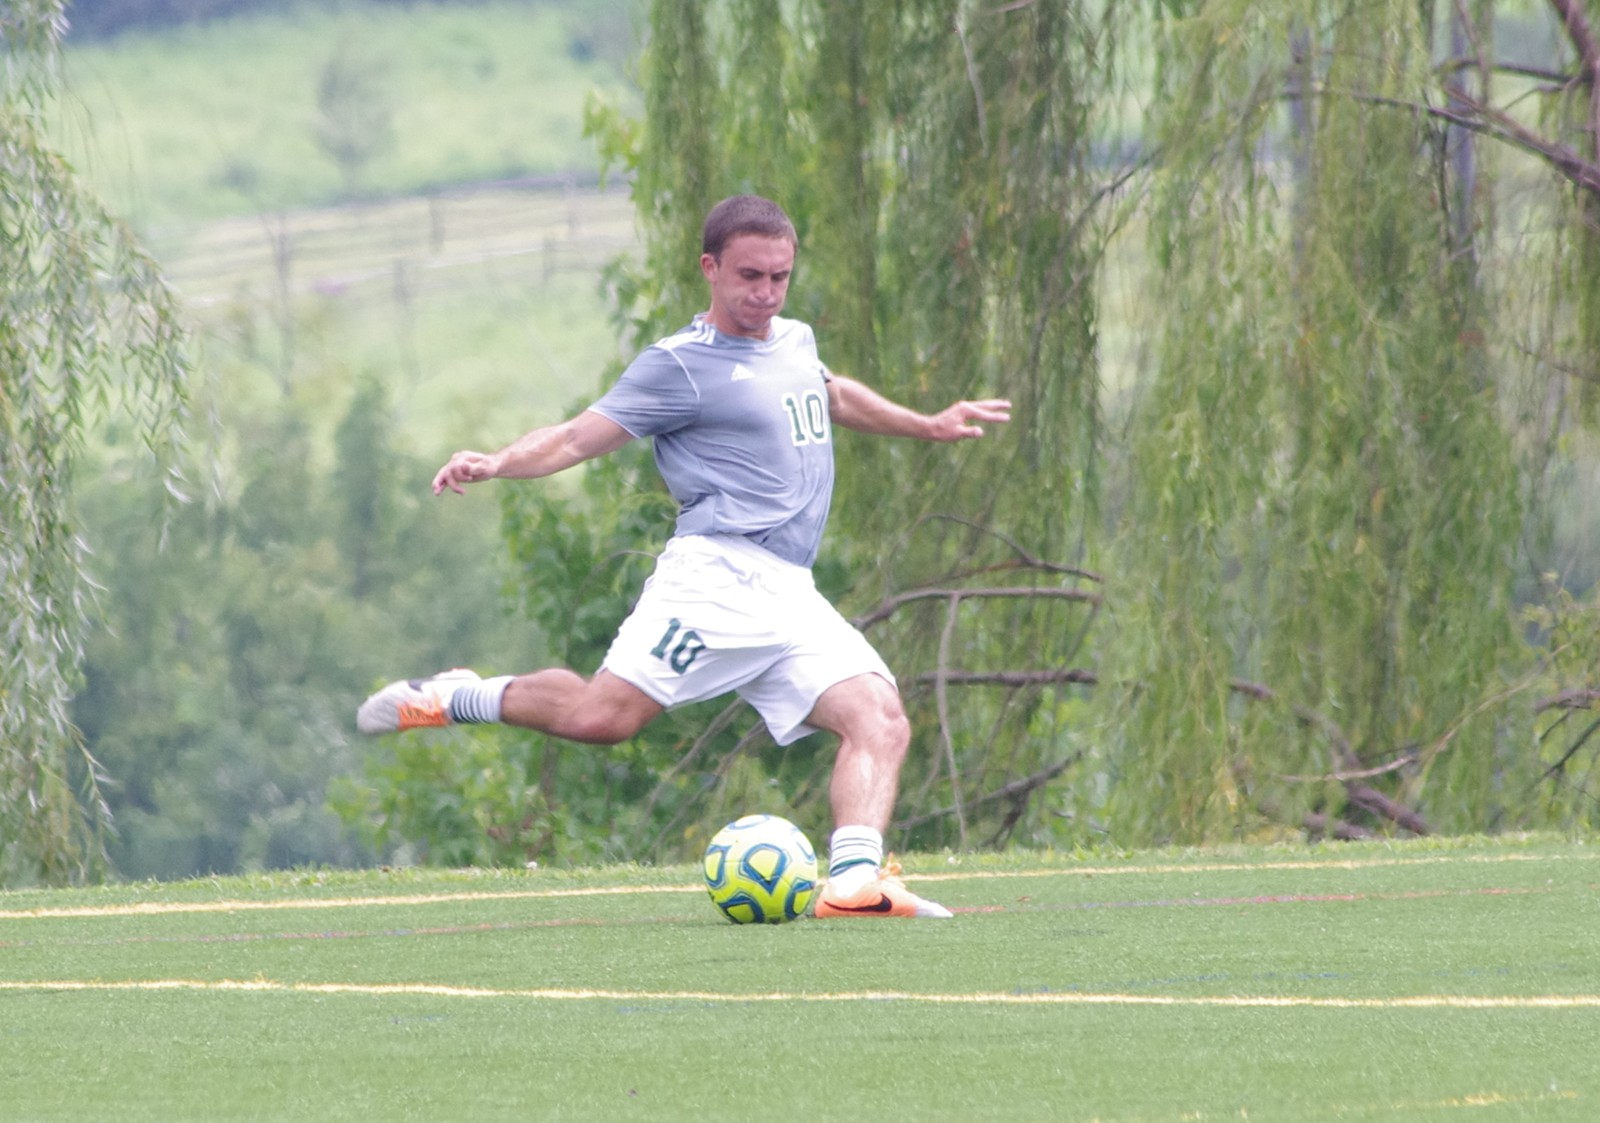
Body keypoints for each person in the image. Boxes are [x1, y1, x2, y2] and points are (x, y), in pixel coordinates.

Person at [358, 194, 1010, 918]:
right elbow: (575, 437)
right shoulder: (679, 365)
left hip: (790, 591)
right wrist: (496, 462)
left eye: (780, 276)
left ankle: (853, 884)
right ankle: (455, 697)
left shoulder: (794, 340)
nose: (766, 293)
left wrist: (928, 425)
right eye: (749, 276)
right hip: (714, 580)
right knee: (600, 719)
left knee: (880, 718)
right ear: (710, 268)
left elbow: (830, 395)